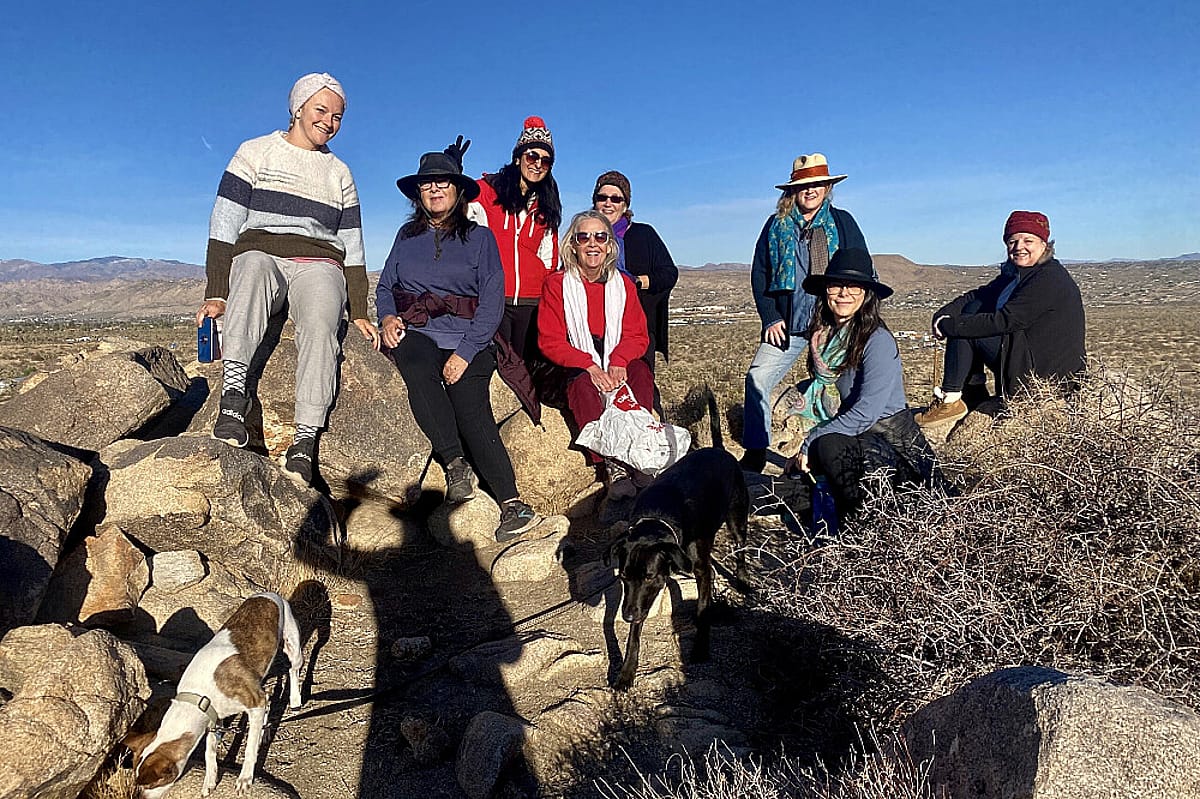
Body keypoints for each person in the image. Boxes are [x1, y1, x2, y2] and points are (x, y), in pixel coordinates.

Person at [199, 72, 379, 485]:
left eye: (337, 116)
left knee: (320, 327)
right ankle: (232, 399)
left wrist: (360, 310)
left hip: (319, 263)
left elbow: (352, 243)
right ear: (298, 108)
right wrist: (216, 292)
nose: (329, 121)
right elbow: (225, 223)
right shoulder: (255, 152)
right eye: (321, 110)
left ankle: (305, 439)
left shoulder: (340, 172)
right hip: (262, 252)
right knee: (255, 265)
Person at [376, 145, 539, 542]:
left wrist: (466, 353)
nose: (434, 188)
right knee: (416, 368)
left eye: (442, 182)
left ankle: (511, 502)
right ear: (418, 192)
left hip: (471, 336)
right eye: (427, 183)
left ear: (457, 190)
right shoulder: (406, 235)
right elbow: (385, 287)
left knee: (470, 402)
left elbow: (492, 299)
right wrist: (387, 318)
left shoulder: (480, 239)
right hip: (420, 333)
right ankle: (455, 464)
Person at [760, 248, 943, 523]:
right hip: (859, 437)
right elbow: (829, 391)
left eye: (854, 286)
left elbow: (867, 412)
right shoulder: (826, 337)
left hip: (893, 445)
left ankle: (861, 524)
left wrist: (810, 442)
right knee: (806, 470)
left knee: (828, 445)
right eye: (836, 285)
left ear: (866, 295)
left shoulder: (877, 340)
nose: (844, 293)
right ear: (825, 292)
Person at [741, 153, 868, 474]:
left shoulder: (842, 222)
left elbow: (862, 266)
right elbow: (760, 272)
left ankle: (846, 447)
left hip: (834, 323)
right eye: (803, 186)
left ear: (827, 187)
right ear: (792, 191)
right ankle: (757, 449)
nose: (810, 191)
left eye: (817, 184)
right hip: (789, 324)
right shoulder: (775, 226)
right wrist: (770, 315)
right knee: (757, 378)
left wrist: (858, 315)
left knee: (844, 387)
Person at [915, 211, 1086, 427]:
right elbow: (979, 295)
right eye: (1012, 241)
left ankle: (950, 400)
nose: (1019, 247)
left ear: (1044, 244)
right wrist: (943, 314)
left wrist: (950, 326)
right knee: (971, 310)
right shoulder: (1017, 274)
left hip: (1042, 375)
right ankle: (973, 393)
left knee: (964, 328)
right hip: (1025, 352)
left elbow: (1006, 321)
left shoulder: (1049, 278)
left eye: (1028, 240)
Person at [537, 210, 656, 500]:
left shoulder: (623, 285)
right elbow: (550, 340)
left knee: (640, 374)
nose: (592, 244)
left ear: (609, 244)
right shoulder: (557, 285)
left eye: (600, 236)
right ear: (573, 245)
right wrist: (588, 365)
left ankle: (639, 450)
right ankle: (611, 463)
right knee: (583, 386)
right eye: (584, 237)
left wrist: (619, 360)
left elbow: (637, 335)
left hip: (612, 352)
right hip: (571, 357)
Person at [466, 116, 562, 361]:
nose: (538, 164)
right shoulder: (486, 192)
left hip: (531, 302)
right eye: (532, 156)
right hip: (494, 299)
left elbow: (549, 258)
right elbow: (456, 219)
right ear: (518, 157)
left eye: (545, 160)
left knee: (524, 368)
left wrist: (547, 296)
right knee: (495, 365)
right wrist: (452, 177)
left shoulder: (546, 205)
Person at [591, 170, 678, 375]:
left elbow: (668, 274)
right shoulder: (585, 236)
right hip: (593, 328)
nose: (608, 203)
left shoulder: (644, 234)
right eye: (602, 197)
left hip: (636, 327)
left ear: (625, 204)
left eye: (616, 198)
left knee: (639, 380)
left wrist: (636, 282)